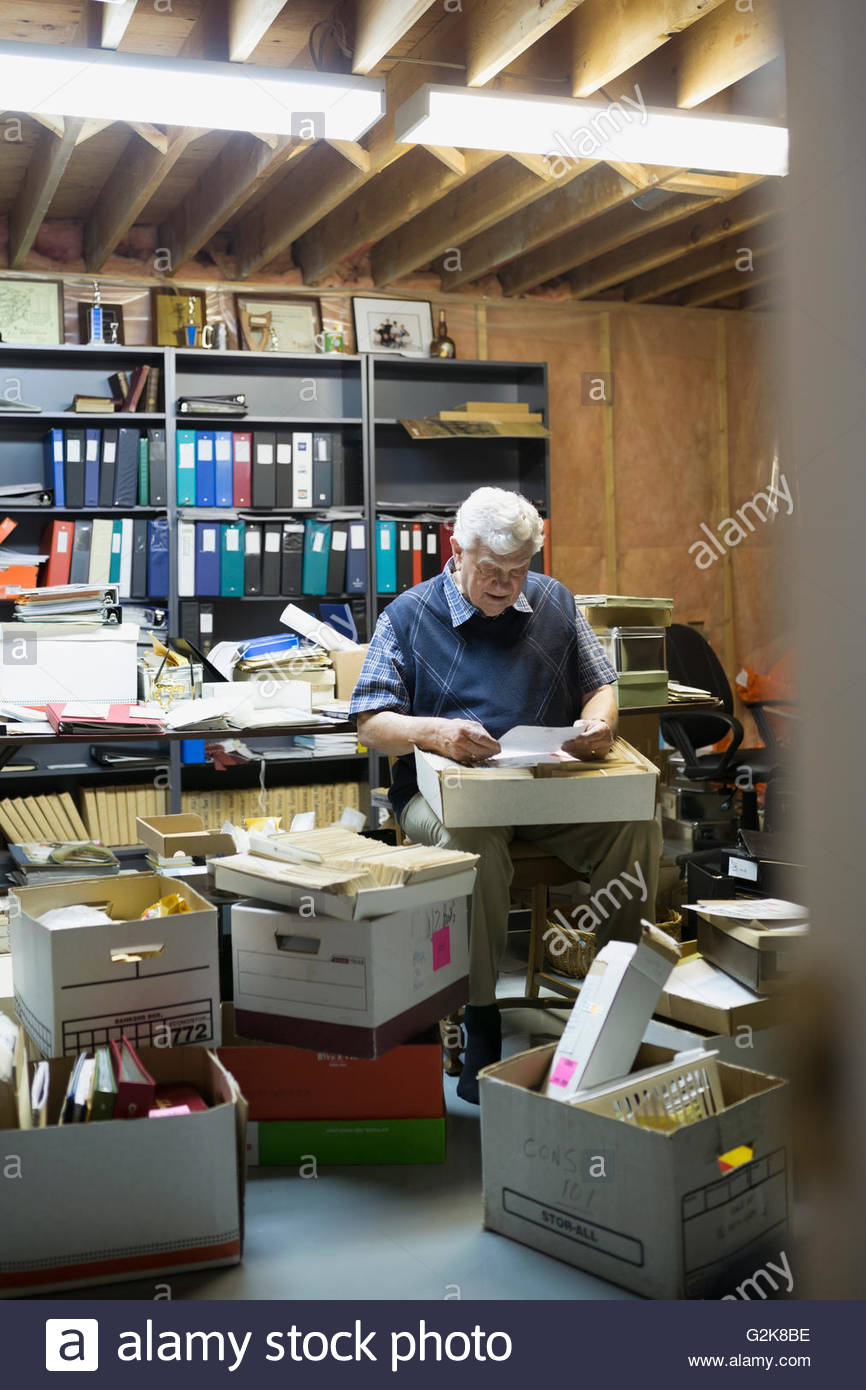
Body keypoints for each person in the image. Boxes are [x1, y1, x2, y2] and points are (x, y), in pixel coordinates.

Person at [350, 488, 662, 1103]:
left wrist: (600, 725)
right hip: (440, 799)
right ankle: (481, 1017)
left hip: (542, 791)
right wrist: (431, 731)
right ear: (455, 549)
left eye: (518, 571)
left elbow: (602, 685)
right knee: (476, 841)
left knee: (635, 825)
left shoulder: (553, 601)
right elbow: (369, 722)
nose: (504, 586)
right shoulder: (408, 616)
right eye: (491, 570)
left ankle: (612, 1005)